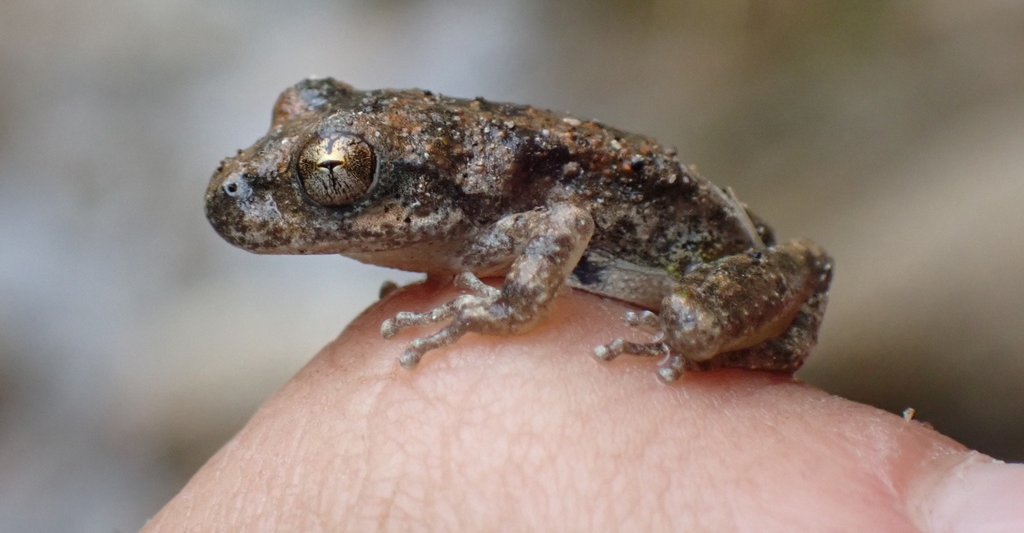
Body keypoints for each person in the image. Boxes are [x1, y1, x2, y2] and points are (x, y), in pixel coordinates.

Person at [143, 284, 1024, 532]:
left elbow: (560, 223)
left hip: (706, 262)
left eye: (333, 173)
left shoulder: (512, 204)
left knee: (691, 323)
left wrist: (504, 305)